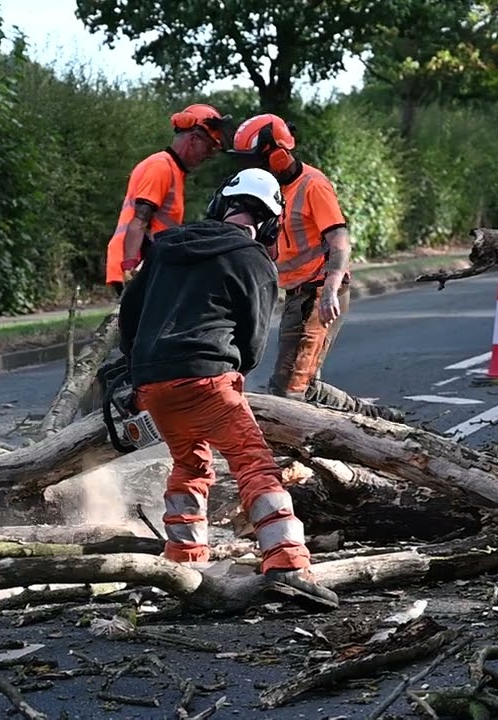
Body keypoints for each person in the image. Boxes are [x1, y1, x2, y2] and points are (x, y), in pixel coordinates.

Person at [117, 168, 339, 613]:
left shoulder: (166, 246)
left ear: (223, 204)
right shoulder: (253, 258)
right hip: (206, 377)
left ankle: (183, 562)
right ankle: (287, 563)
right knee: (253, 463)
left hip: (150, 382)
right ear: (272, 222)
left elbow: (130, 314)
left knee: (190, 464)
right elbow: (253, 343)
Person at [226, 113, 404, 422]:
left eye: (253, 159)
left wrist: (330, 291)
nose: (248, 167)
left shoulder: (313, 185)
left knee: (287, 391)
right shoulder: (271, 191)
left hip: (318, 291)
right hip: (297, 293)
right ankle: (374, 419)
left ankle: (344, 432)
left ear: (278, 153)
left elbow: (339, 240)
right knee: (303, 385)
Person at [104, 103, 232, 297]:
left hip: (148, 264)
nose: (208, 156)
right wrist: (130, 269)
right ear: (193, 139)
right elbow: (139, 221)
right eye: (209, 147)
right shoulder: (161, 167)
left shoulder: (173, 170)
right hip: (136, 264)